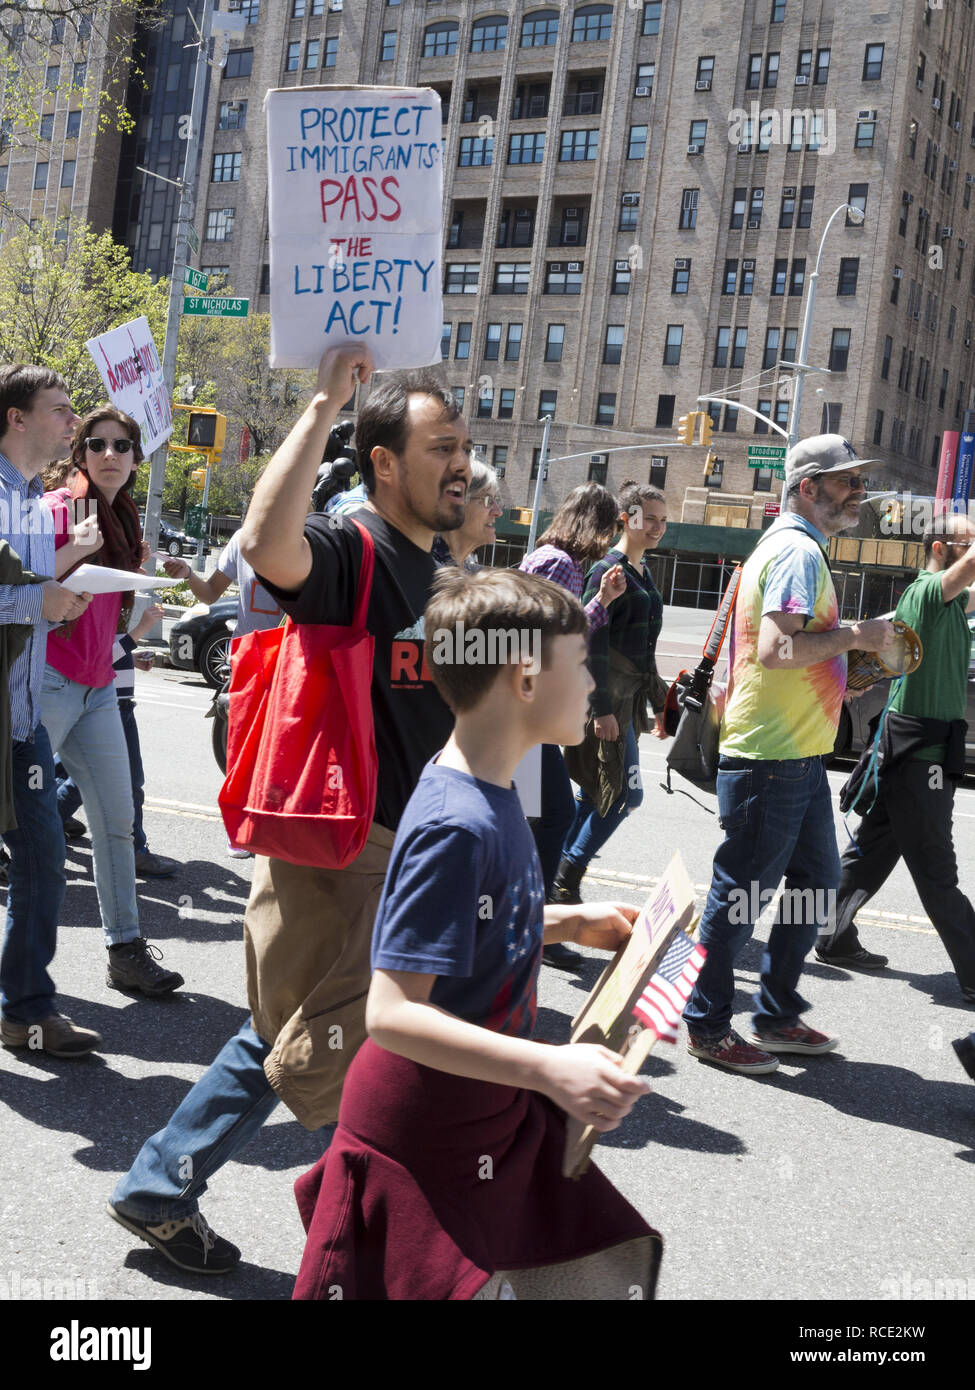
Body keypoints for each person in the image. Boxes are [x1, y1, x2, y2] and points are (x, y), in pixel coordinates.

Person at [107, 344, 473, 1275]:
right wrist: (322, 405)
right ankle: (370, 1247)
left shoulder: (441, 574)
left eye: (464, 447)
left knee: (306, 1031)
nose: (461, 465)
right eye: (441, 448)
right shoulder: (356, 549)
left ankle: (172, 1183)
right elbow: (267, 545)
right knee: (348, 1040)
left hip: (409, 850)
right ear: (384, 462)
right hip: (349, 845)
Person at [292, 568, 661, 1300]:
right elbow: (392, 1013)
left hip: (480, 1114)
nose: (593, 683)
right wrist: (547, 1068)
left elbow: (467, 925)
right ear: (524, 677)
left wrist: (560, 922)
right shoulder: (457, 823)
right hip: (426, 1134)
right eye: (581, 661)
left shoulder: (487, 786)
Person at [680, 434, 896, 1074]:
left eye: (858, 481)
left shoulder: (793, 549)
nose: (858, 492)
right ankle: (707, 1026)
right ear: (808, 487)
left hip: (796, 756)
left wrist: (849, 665)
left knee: (814, 885)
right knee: (741, 899)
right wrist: (860, 634)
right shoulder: (798, 551)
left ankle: (774, 1015)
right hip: (771, 759)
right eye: (846, 482)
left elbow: (790, 653)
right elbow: (778, 649)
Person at [40, 408, 184, 996]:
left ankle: (125, 950)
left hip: (98, 687)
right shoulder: (57, 509)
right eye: (96, 444)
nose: (109, 454)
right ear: (80, 452)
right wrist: (74, 551)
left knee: (116, 824)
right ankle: (24, 990)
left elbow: (102, 616)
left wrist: (135, 627)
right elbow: (20, 589)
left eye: (122, 445)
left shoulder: (124, 521)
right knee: (21, 829)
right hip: (46, 682)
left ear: (134, 457)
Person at [818, 512, 975, 997]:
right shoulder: (926, 592)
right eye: (966, 542)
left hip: (915, 750)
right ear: (939, 548)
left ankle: (831, 935)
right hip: (918, 754)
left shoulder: (953, 605)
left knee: (870, 852)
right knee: (936, 871)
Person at [0, 363, 102, 1059]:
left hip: (21, 715)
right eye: (61, 409)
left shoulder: (34, 499)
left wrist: (69, 578)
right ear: (17, 417)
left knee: (43, 855)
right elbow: (20, 599)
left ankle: (26, 1010)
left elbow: (26, 595)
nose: (73, 422)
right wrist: (42, 602)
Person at [519, 483, 626, 969]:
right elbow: (552, 636)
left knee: (534, 817)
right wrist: (601, 601)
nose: (609, 541)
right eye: (609, 528)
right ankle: (533, 928)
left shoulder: (552, 557)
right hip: (528, 710)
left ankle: (526, 925)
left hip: (526, 707)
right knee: (551, 815)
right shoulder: (559, 563)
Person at [559, 481, 670, 903]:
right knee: (625, 795)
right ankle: (567, 877)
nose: (658, 527)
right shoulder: (608, 569)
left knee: (595, 795)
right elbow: (593, 644)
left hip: (629, 703)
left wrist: (661, 704)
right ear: (627, 518)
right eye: (649, 518)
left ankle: (554, 872)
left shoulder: (643, 571)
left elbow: (643, 650)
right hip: (605, 704)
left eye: (663, 519)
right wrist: (600, 709)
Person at [431, 456, 503, 571]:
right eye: (488, 500)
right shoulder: (423, 569)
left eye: (496, 501)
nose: (498, 512)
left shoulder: (467, 572)